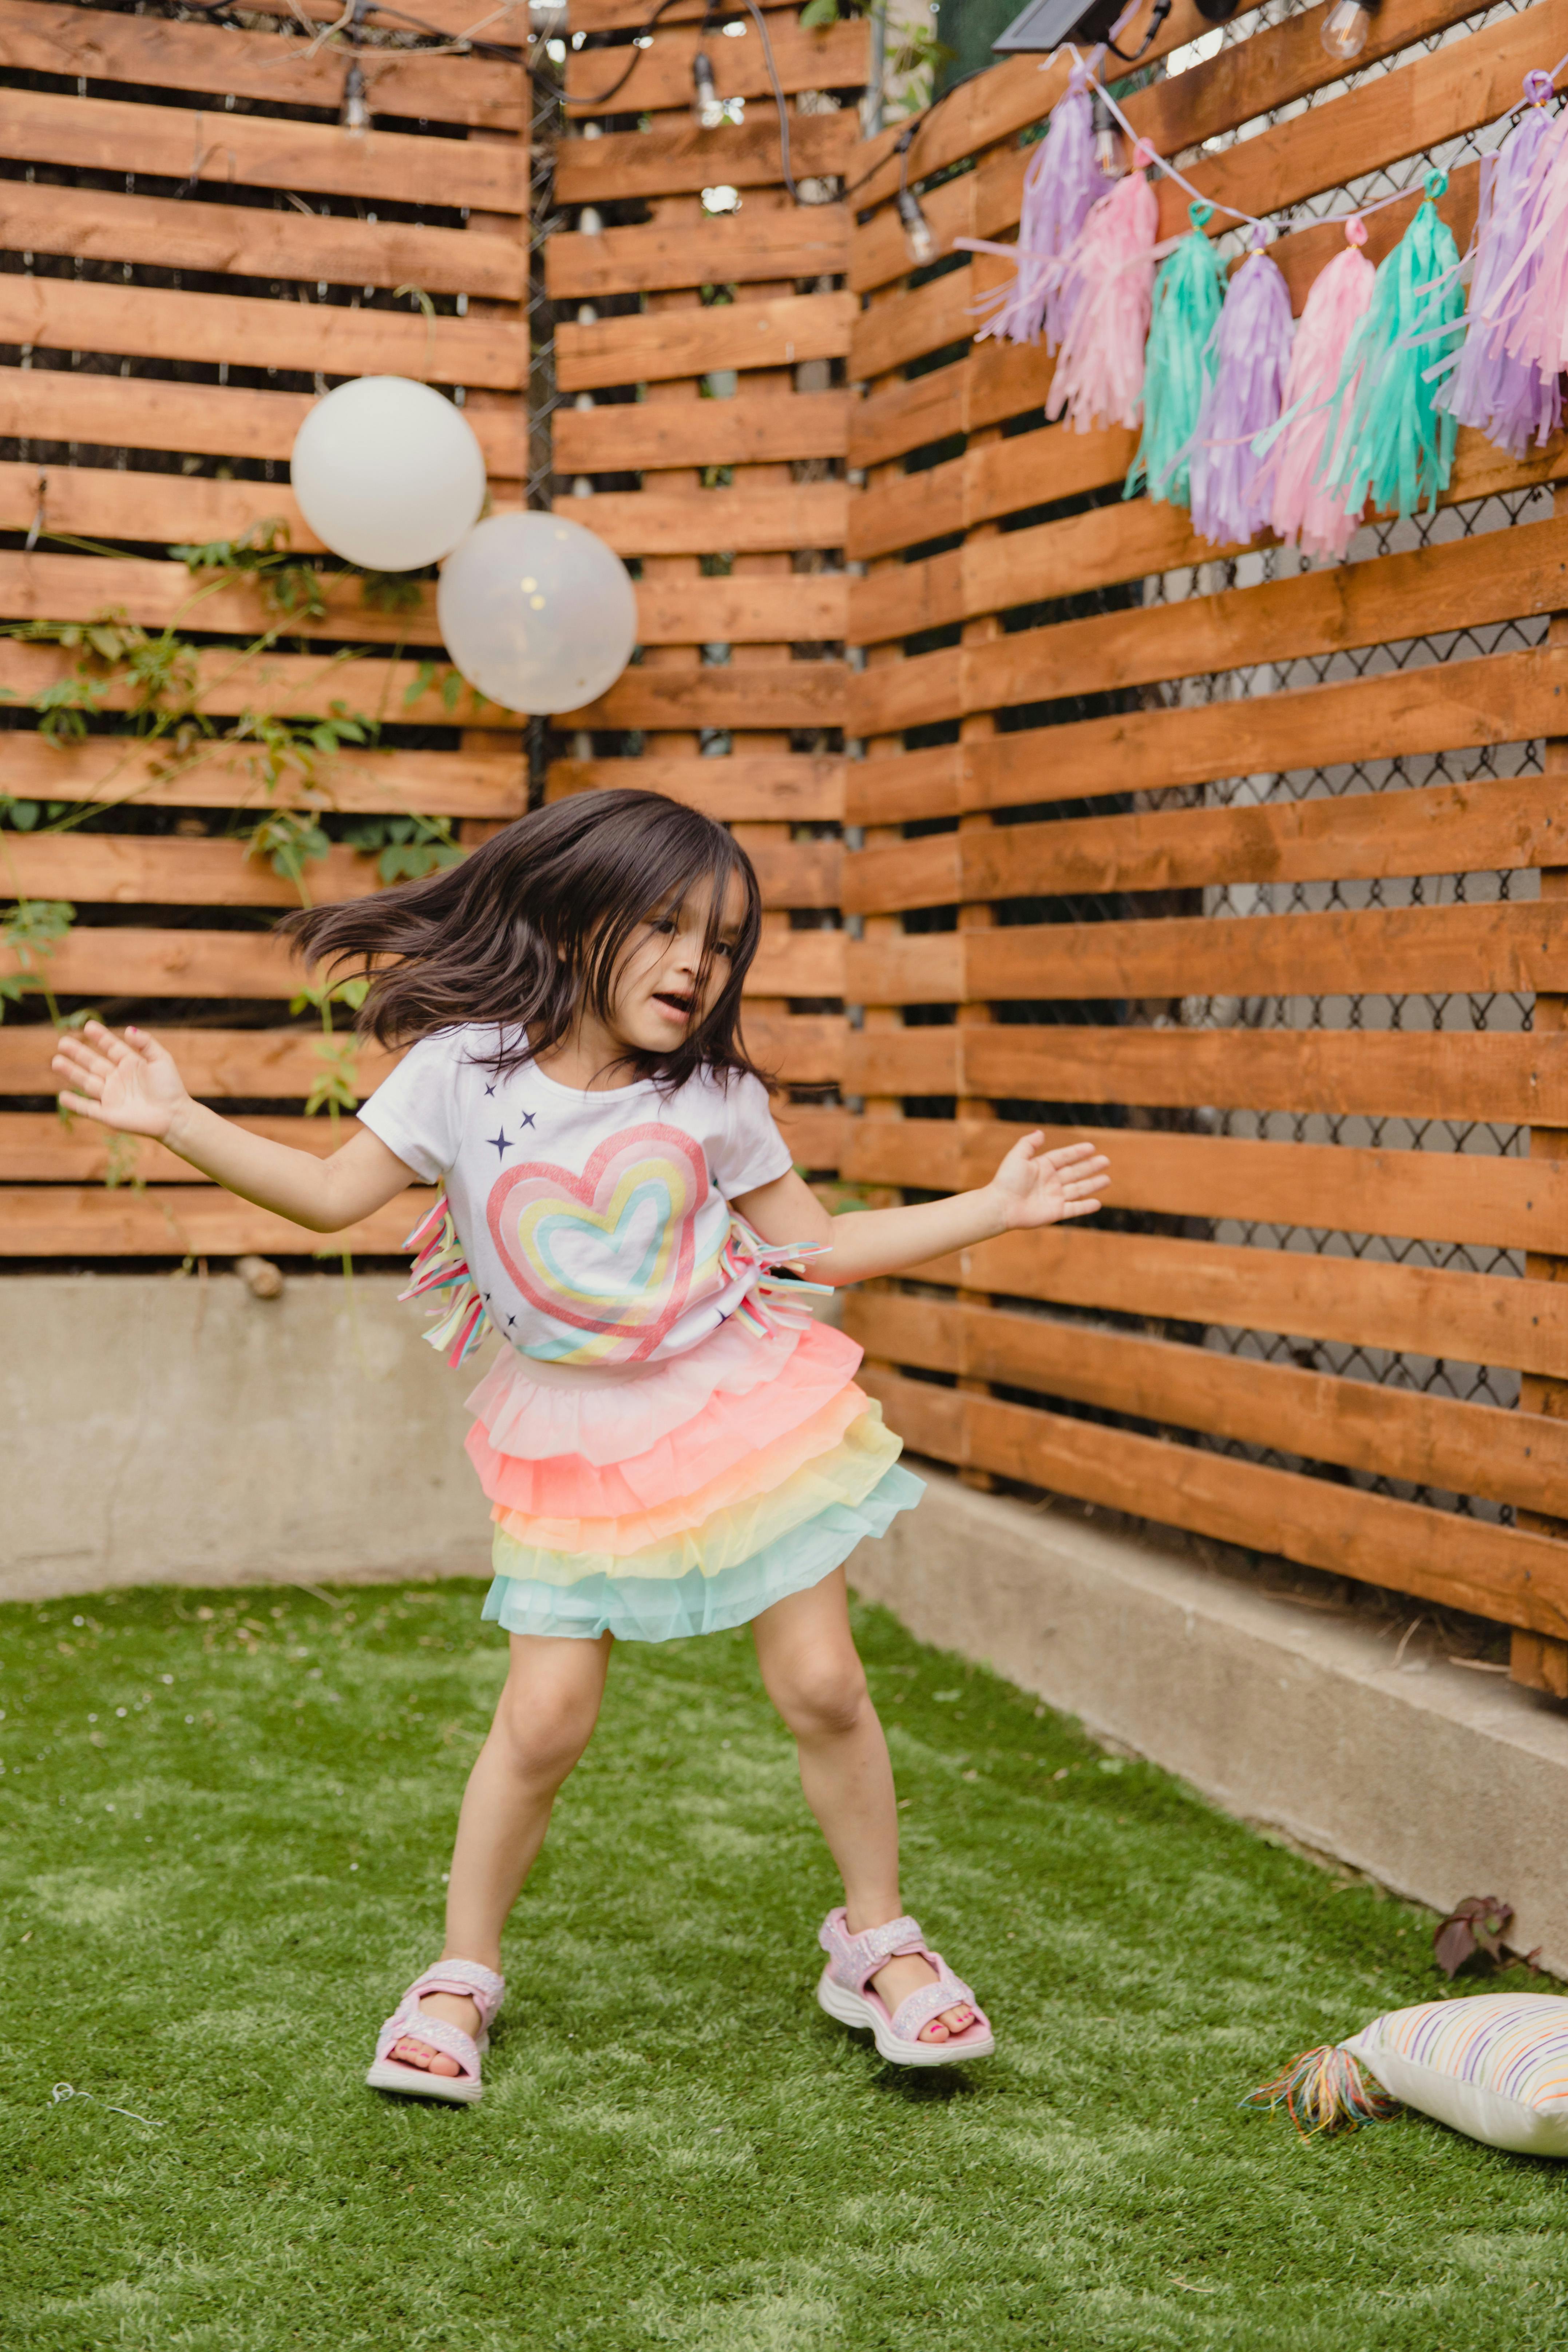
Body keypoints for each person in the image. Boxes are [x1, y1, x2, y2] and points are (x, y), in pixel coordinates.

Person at [54, 789, 1109, 2099]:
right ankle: (459, 1975)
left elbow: (813, 1250)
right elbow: (330, 1197)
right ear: (575, 919)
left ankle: (875, 1942)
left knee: (825, 1686)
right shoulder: (460, 1072)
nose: (695, 965)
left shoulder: (715, 1095)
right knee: (546, 1716)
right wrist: (177, 1123)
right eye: (664, 927)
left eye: (721, 945)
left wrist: (990, 1210)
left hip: (736, 1404)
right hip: (572, 1433)